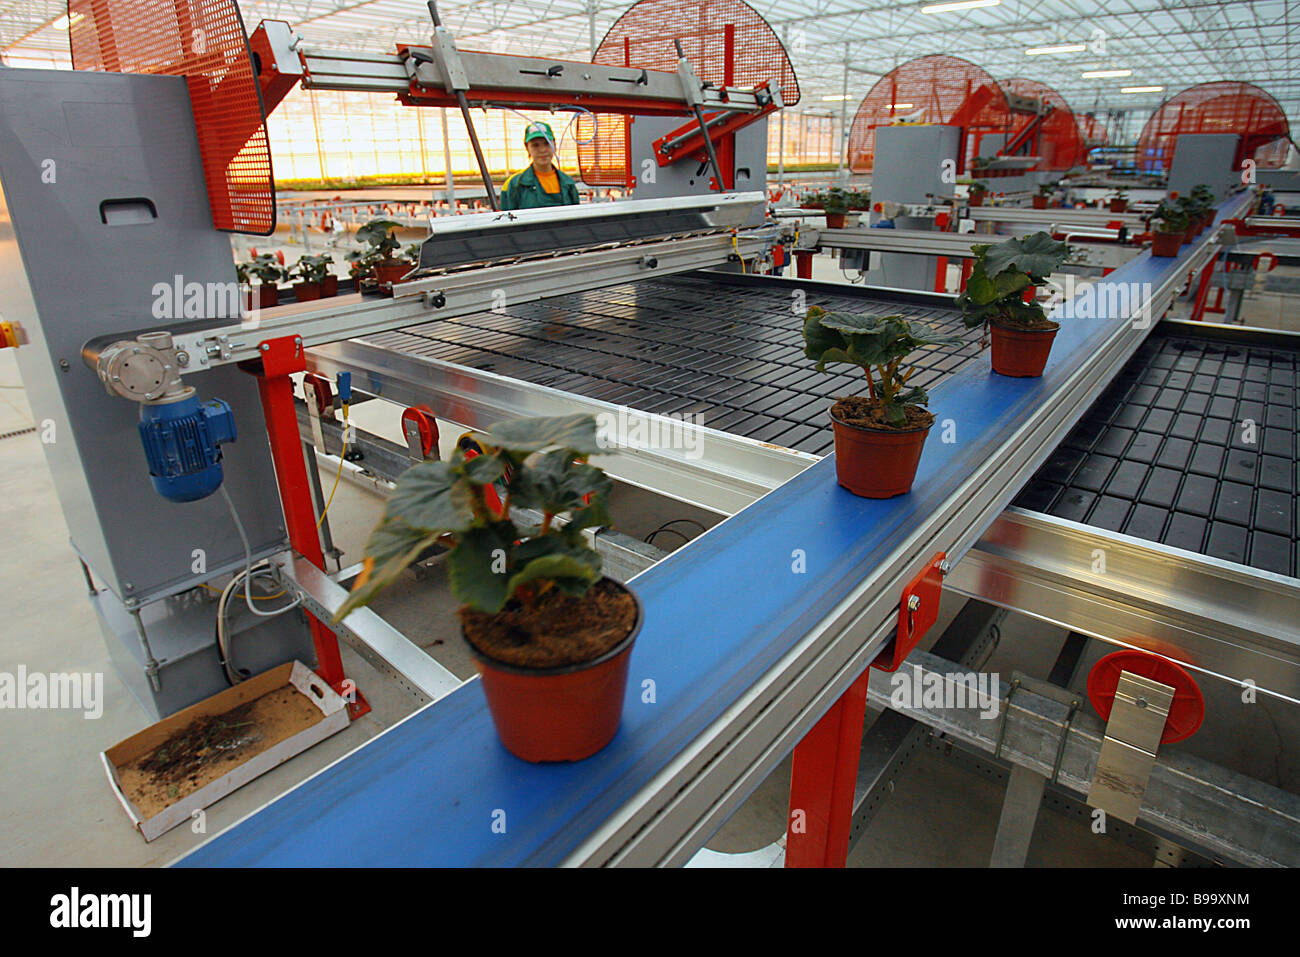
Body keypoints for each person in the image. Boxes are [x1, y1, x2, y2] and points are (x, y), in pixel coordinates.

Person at [500, 121, 581, 210]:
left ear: (554, 145)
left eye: (547, 144)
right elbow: (506, 219)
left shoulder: (568, 183)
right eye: (535, 145)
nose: (542, 150)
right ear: (527, 148)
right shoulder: (515, 185)